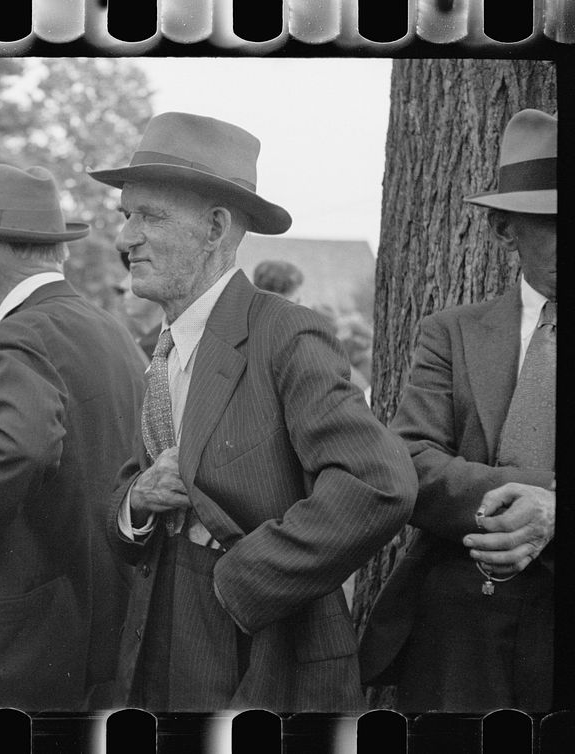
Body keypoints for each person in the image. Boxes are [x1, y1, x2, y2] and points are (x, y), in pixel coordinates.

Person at [88, 111, 417, 711]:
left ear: (215, 228)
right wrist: (137, 501)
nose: (124, 237)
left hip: (257, 651)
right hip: (157, 634)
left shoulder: (285, 334)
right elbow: (134, 488)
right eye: (124, 215)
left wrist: (243, 583)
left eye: (149, 216)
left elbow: (379, 482)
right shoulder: (164, 345)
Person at [359, 108, 557, 712]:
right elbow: (407, 462)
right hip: (460, 626)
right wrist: (537, 495)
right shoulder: (452, 333)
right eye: (550, 222)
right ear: (504, 229)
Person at [0, 164, 145, 711]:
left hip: (29, 628)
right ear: (59, 252)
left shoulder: (18, 333)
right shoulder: (112, 331)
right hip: (107, 615)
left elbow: (21, 447)